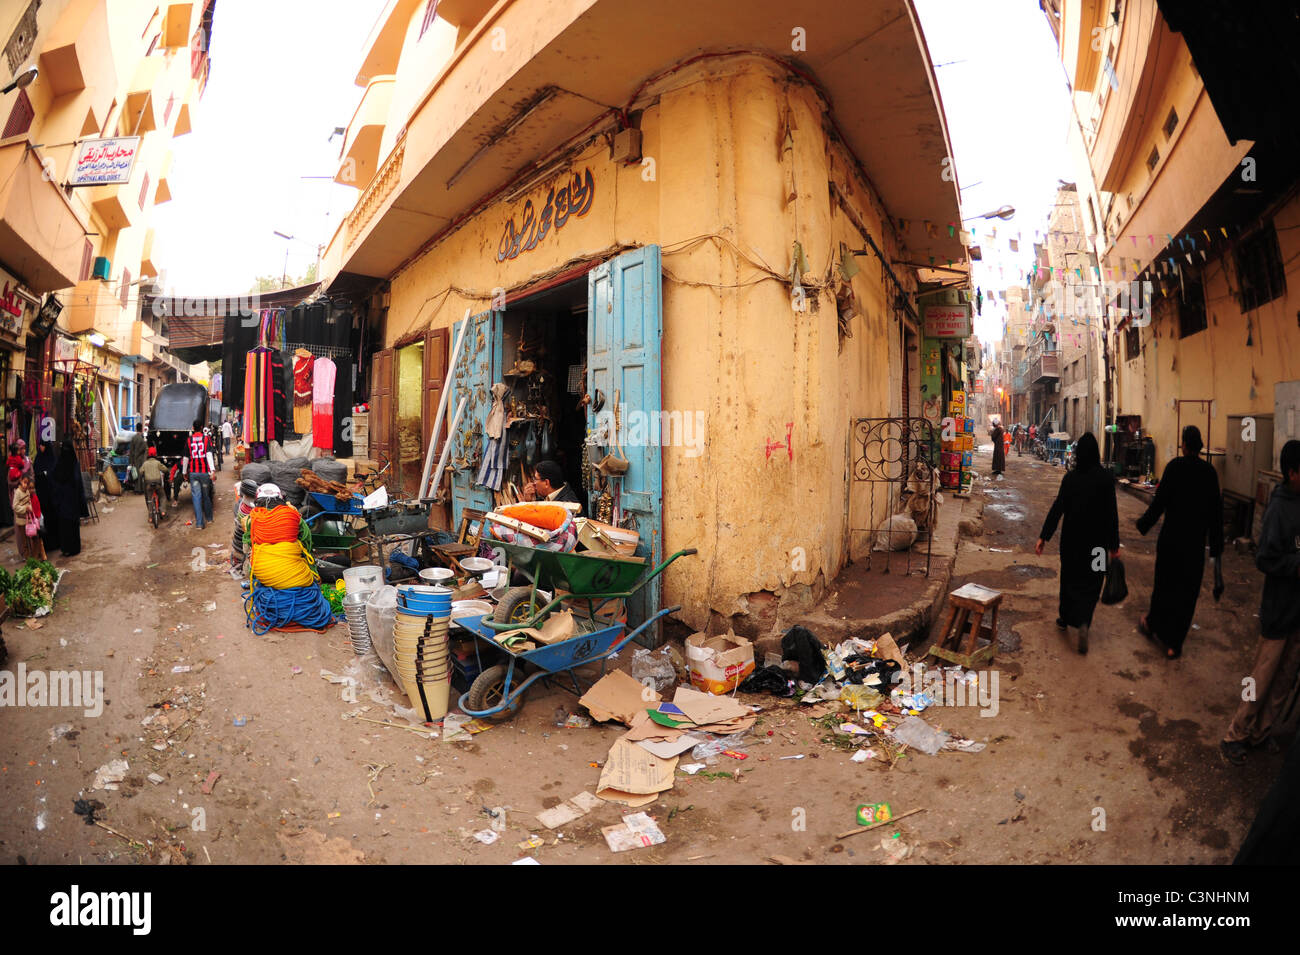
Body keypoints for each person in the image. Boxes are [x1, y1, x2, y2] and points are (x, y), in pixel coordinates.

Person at [1221, 439, 1300, 766]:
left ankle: (1261, 733)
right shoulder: (1279, 508)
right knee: (1263, 677)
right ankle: (1236, 735)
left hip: (1298, 615)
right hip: (1278, 611)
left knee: (1284, 680)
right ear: (1293, 473)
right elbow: (1264, 559)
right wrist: (1297, 565)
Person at [1135, 425, 1224, 660]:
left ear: (1184, 444)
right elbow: (1216, 514)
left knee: (1164, 585)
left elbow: (1159, 502)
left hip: (1171, 541)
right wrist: (1216, 548)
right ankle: (1174, 643)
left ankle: (1153, 624)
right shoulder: (1210, 473)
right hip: (1194, 546)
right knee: (1186, 593)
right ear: (1200, 446)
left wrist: (1144, 524)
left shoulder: (1175, 467)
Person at [1035, 432, 1119, 654]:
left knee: (1070, 579)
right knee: (1094, 582)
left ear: (1079, 454)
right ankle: (1084, 621)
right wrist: (1114, 546)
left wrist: (1044, 536)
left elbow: (1058, 508)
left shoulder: (1071, 479)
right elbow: (1112, 515)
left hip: (1072, 543)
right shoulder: (1106, 479)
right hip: (1099, 545)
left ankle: (1065, 617)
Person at [51, 438, 88, 557]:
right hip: (72, 502)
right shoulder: (74, 464)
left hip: (63, 503)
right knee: (71, 527)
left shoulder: (59, 464)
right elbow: (79, 484)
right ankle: (73, 548)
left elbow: (54, 483)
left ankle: (66, 548)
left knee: (64, 526)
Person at [185, 419, 214, 529]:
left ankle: (199, 524)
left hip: (193, 473)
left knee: (196, 497)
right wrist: (212, 471)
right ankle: (209, 518)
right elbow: (209, 455)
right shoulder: (206, 439)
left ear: (193, 428)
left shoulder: (189, 440)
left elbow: (186, 458)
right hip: (204, 473)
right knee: (206, 495)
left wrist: (184, 472)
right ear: (202, 427)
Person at [32, 440, 59, 553]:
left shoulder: (52, 459)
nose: (41, 447)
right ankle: (45, 545)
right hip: (42, 496)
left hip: (51, 496)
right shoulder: (38, 459)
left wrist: (47, 474)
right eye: (40, 445)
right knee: (44, 519)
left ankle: (56, 542)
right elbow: (35, 474)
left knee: (52, 519)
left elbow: (54, 475)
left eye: (43, 445)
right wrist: (41, 475)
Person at [11, 474, 46, 561]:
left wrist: (30, 508)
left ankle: (35, 556)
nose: (26, 485)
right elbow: (15, 506)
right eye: (24, 482)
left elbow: (29, 502)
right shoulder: (17, 492)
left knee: (33, 538)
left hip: (29, 520)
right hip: (21, 521)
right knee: (25, 541)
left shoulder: (27, 491)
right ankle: (27, 559)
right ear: (20, 481)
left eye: (27, 483)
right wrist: (25, 508)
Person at [140, 446, 167, 519]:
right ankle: (163, 510)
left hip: (148, 484)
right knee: (162, 496)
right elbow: (165, 469)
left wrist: (144, 474)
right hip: (158, 484)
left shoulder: (145, 463)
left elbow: (140, 472)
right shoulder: (157, 462)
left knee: (149, 499)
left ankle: (150, 518)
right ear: (155, 454)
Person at [6, 438, 31, 509]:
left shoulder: (28, 461)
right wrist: (20, 481)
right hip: (16, 496)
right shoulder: (18, 460)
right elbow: (10, 483)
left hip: (26, 495)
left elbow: (32, 477)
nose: (24, 450)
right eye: (21, 449)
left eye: (24, 448)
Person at [128, 429, 148, 493]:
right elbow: (145, 449)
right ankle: (141, 489)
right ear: (141, 429)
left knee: (136, 474)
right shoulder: (143, 439)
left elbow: (131, 451)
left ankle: (137, 489)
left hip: (135, 459)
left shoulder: (133, 438)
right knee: (141, 474)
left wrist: (130, 461)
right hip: (142, 459)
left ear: (136, 429)